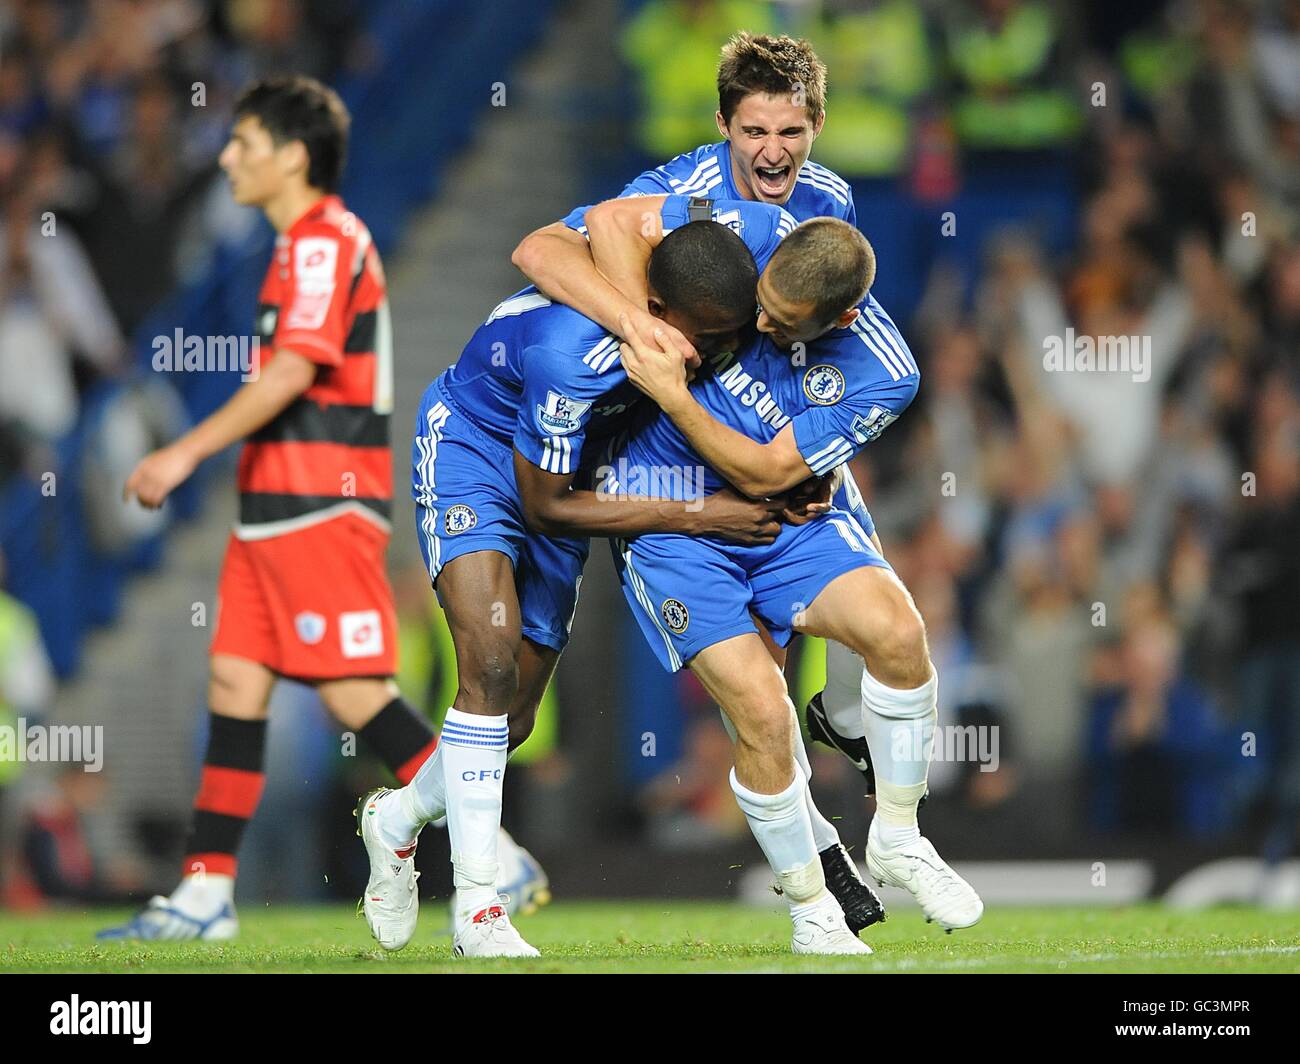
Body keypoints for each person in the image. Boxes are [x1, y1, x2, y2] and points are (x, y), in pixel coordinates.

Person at [357, 208, 809, 957]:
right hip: (480, 453)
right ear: (657, 313)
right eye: (709, 338)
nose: (719, 353)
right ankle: (478, 909)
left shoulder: (687, 322)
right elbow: (546, 505)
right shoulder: (579, 353)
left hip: (573, 467)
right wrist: (704, 515)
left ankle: (397, 820)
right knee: (490, 663)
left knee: (516, 722)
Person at [99, 76, 445, 941]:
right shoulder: (298, 246)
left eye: (244, 142)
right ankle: (208, 895)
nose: (226, 157)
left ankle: (493, 847)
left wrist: (182, 452)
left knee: (355, 691)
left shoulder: (324, 240)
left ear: (293, 156)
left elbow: (293, 371)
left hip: (316, 502)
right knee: (235, 684)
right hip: (271, 510)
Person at [514, 31, 893, 811]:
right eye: (754, 131)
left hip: (756, 426)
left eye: (790, 131)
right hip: (654, 448)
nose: (774, 151)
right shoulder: (686, 192)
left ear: (816, 123)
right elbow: (545, 246)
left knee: (846, 553)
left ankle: (842, 728)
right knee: (747, 690)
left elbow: (815, 349)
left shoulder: (830, 201)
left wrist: (814, 460)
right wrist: (641, 327)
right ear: (724, 126)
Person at [603, 204, 984, 935]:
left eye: (781, 322)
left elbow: (771, 468)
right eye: (760, 302)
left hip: (783, 514)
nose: (758, 324)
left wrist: (672, 391)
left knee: (900, 634)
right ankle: (814, 911)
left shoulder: (884, 371)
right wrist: (637, 323)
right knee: (761, 709)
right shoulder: (747, 224)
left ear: (837, 321)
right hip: (671, 513)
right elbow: (606, 224)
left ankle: (899, 836)